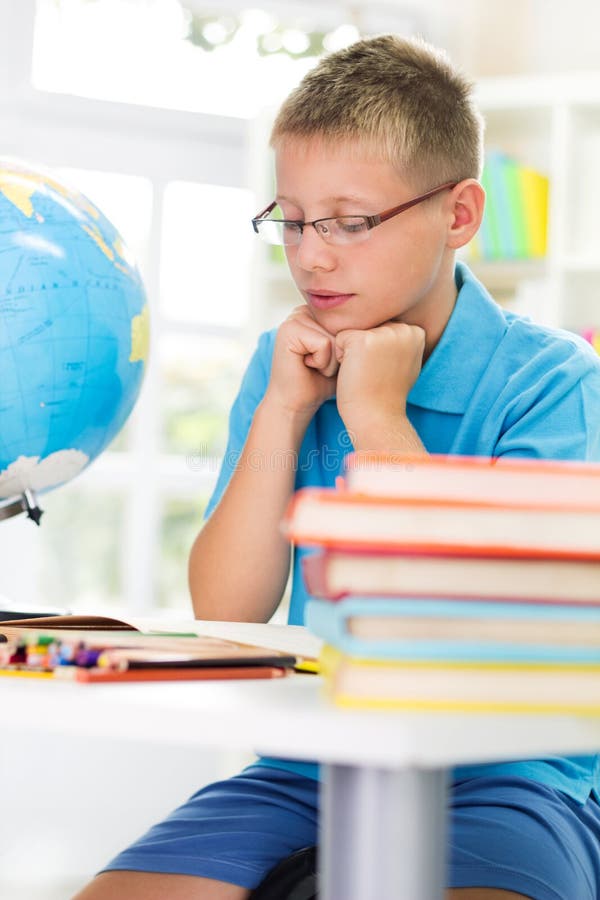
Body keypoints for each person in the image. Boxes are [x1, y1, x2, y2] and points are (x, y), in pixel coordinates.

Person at [73, 34, 600, 900]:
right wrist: (283, 410)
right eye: (290, 219)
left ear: (459, 216)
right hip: (312, 763)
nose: (311, 254)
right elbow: (228, 611)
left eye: (350, 222)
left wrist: (377, 416)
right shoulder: (284, 366)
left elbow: (468, 619)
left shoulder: (551, 380)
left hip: (508, 772)